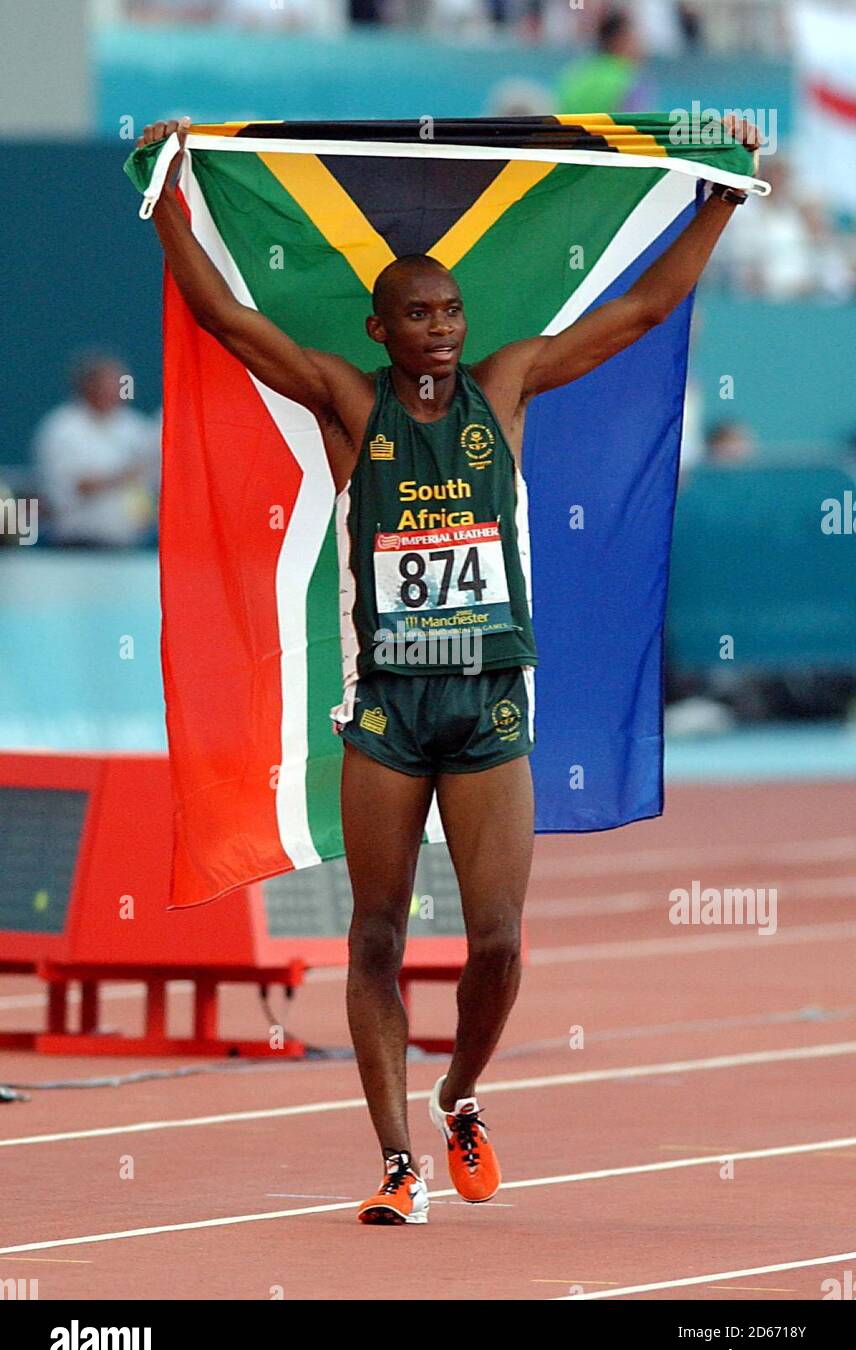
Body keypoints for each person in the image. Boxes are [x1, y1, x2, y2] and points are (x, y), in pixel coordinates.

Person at [138, 113, 760, 1224]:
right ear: (380, 327)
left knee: (498, 941)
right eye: (418, 313)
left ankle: (460, 1092)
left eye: (452, 310)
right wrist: (167, 196)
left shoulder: (505, 384)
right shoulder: (350, 402)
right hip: (385, 708)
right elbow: (224, 316)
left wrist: (720, 196)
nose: (439, 326)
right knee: (374, 933)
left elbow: (644, 307)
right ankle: (392, 1162)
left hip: (486, 709)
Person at [32, 353, 159, 548]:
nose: (116, 388)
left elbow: (149, 482)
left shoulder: (135, 427)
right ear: (88, 385)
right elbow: (74, 486)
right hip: (76, 544)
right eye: (108, 383)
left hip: (129, 545)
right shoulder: (62, 427)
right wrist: (124, 475)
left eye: (120, 382)